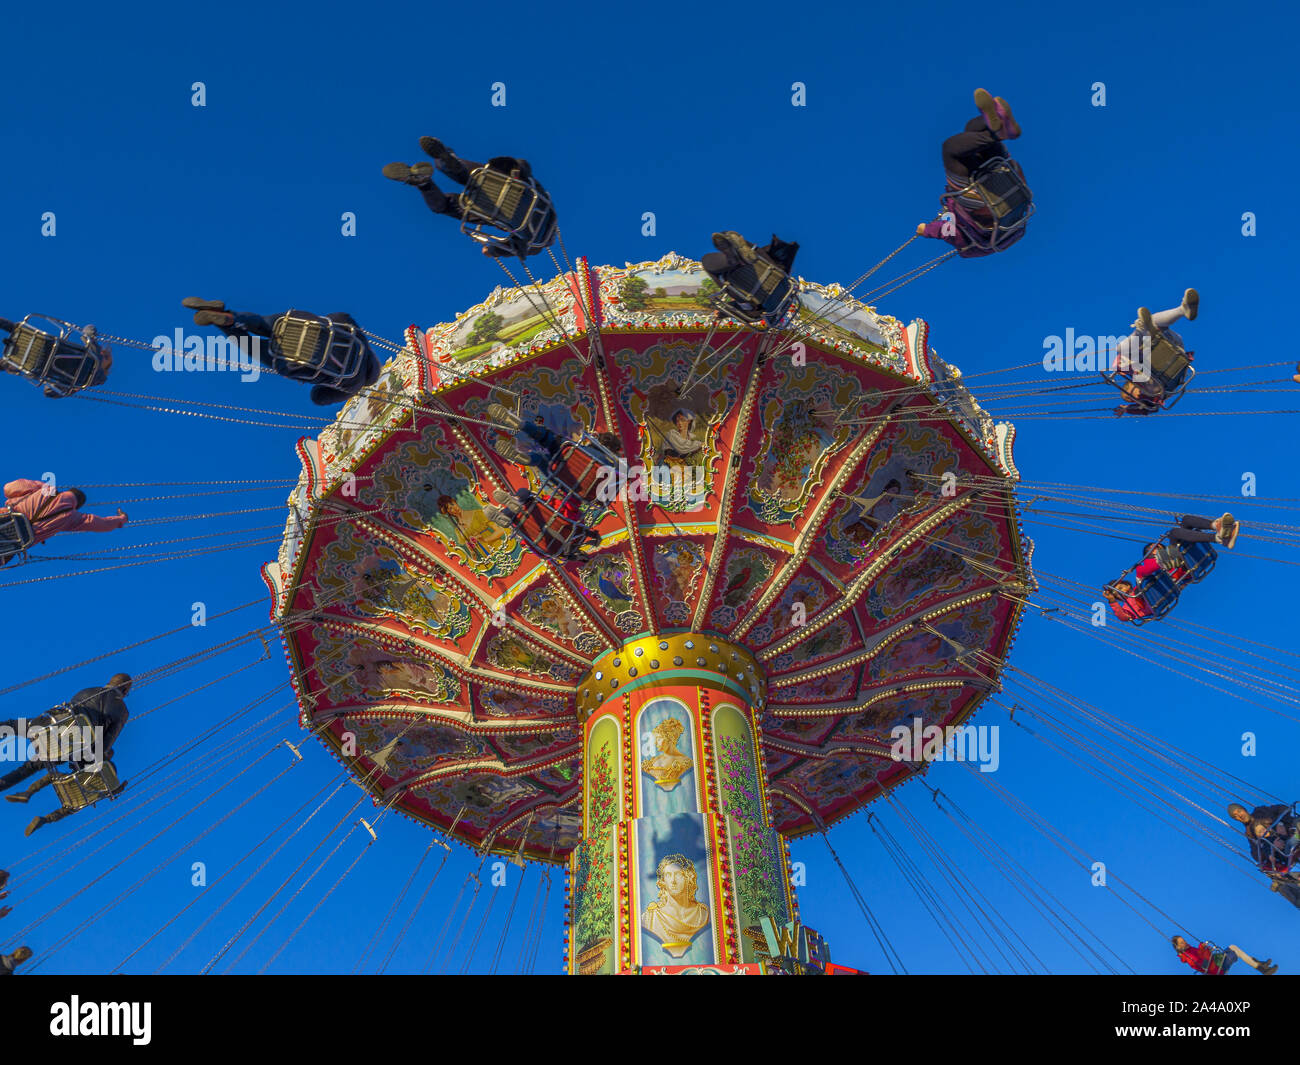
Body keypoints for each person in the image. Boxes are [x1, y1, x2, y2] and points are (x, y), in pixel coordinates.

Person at [180, 300, 381, 406]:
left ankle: (231, 316)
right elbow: (319, 397)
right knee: (251, 347)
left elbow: (339, 315)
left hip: (303, 325)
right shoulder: (353, 385)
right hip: (297, 360)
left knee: (261, 323)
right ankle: (224, 325)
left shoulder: (360, 342)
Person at [383, 138, 545, 257]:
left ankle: (445, 162)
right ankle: (425, 182)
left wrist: (517, 170)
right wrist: (491, 251)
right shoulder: (534, 241)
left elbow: (526, 172)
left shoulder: (543, 202)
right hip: (499, 210)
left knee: (468, 175)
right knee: (445, 205)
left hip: (504, 185)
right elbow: (513, 248)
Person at [917, 89, 1025, 257]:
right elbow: (947, 230)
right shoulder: (965, 242)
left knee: (972, 131)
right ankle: (998, 132)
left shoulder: (1007, 229)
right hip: (984, 201)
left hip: (1009, 185)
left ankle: (998, 127)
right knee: (951, 151)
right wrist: (925, 230)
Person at [0, 674, 132, 796]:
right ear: (125, 691)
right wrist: (85, 763)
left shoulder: (85, 691)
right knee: (31, 767)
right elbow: (105, 745)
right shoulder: (121, 710)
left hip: (53, 726)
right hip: (71, 743)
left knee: (13, 726)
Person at [1111, 291, 1198, 416]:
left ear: (1132, 385)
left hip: (1170, 349)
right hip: (1172, 357)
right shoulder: (1151, 397)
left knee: (1155, 323)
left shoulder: (1137, 376)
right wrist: (1127, 409)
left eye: (1131, 394)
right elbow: (1147, 409)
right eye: (1132, 397)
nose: (1135, 395)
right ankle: (1142, 331)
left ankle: (1183, 309)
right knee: (1120, 350)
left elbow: (1123, 364)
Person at [1, 480, 128, 565]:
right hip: (13, 544)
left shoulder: (47, 490)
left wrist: (39, 485)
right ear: (76, 506)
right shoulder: (72, 517)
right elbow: (103, 524)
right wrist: (121, 519)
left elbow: (8, 488)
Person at [0, 318, 112, 397]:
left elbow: (88, 331)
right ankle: (4, 365)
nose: (103, 353)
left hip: (45, 346)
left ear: (105, 367)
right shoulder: (76, 383)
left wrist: (90, 332)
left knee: (19, 330)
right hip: (33, 365)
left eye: (106, 356)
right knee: (13, 363)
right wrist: (71, 390)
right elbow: (49, 392)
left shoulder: (95, 358)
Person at [1171, 936, 1276, 975]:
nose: (1184, 943)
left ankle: (1259, 965)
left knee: (1233, 947)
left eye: (1183, 940)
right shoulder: (1188, 956)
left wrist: (1206, 949)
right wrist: (1205, 950)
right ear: (1177, 947)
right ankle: (1261, 968)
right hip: (1217, 968)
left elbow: (1202, 954)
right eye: (1181, 943)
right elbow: (1203, 963)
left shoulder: (1190, 949)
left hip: (1217, 963)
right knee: (1234, 949)